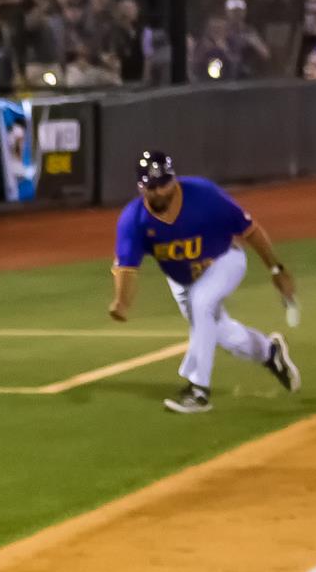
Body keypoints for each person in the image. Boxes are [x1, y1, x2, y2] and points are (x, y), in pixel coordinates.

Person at [108, 150, 299, 414]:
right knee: (220, 332)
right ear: (141, 187)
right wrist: (122, 302)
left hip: (225, 261)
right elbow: (127, 267)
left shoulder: (203, 195)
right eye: (153, 187)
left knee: (202, 302)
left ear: (174, 179)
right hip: (181, 281)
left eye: (165, 184)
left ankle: (198, 392)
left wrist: (276, 269)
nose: (161, 191)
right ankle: (269, 352)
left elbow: (250, 230)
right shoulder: (134, 220)